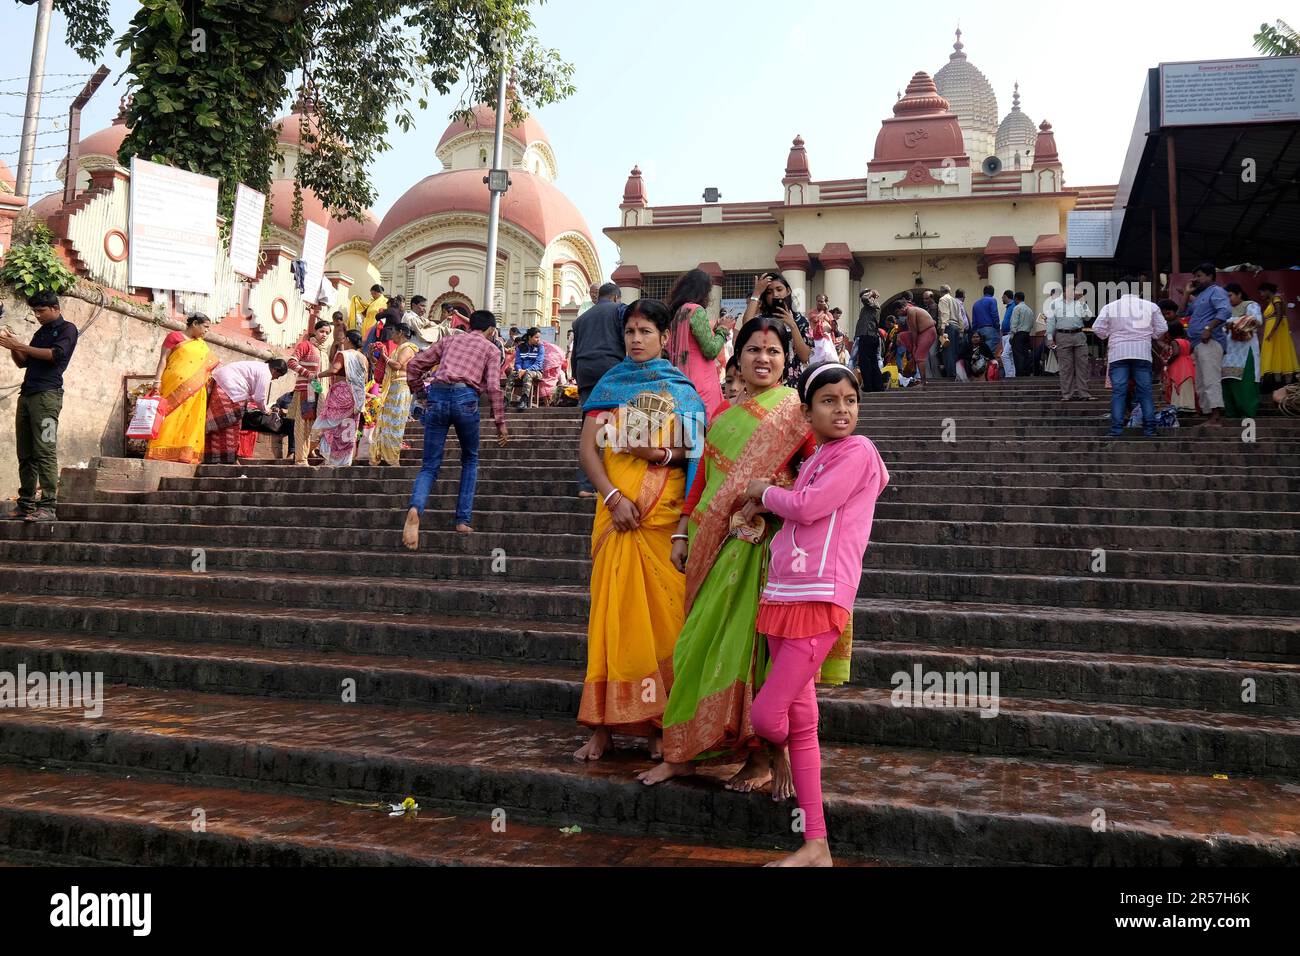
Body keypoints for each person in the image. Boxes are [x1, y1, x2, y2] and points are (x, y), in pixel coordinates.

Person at [637, 317, 851, 796]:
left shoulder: (798, 413)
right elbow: (703, 483)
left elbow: (819, 474)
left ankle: (764, 758)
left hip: (775, 548)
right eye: (754, 349)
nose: (763, 358)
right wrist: (680, 531)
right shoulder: (722, 418)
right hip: (721, 543)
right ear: (737, 360)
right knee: (698, 640)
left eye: (774, 351)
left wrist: (774, 492)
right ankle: (686, 751)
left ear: (785, 361)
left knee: (758, 652)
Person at [741, 361, 888, 867]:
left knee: (766, 713)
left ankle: (776, 756)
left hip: (822, 595)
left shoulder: (859, 452)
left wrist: (763, 492)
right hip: (783, 594)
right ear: (808, 412)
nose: (842, 409)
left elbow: (808, 508)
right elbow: (799, 507)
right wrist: (768, 505)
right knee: (802, 724)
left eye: (849, 400)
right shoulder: (817, 457)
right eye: (829, 401)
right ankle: (816, 845)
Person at [574, 299, 706, 761]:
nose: (635, 339)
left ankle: (657, 722)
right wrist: (612, 497)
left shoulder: (682, 390)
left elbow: (696, 457)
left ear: (665, 337)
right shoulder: (610, 385)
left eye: (645, 331)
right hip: (616, 513)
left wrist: (659, 456)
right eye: (630, 331)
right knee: (610, 615)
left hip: (662, 516)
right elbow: (588, 451)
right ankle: (603, 725)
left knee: (664, 620)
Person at [402, 310, 509, 545]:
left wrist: (421, 393)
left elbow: (414, 366)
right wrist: (500, 423)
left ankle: (415, 509)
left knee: (429, 465)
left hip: (438, 395)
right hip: (466, 399)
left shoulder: (449, 339)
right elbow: (493, 387)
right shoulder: (491, 349)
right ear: (491, 331)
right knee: (470, 459)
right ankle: (462, 520)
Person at [0, 291, 78, 522]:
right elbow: (23, 362)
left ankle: (48, 506)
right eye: (35, 311)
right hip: (27, 395)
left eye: (41, 311)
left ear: (55, 308)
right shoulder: (40, 332)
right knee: (25, 453)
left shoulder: (67, 329)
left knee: (45, 450)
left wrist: (20, 344)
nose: (38, 315)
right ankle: (25, 505)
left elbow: (55, 355)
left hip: (47, 397)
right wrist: (12, 346)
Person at [571, 283, 625, 497]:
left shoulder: (581, 319)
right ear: (615, 298)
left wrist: (577, 376)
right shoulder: (618, 310)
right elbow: (626, 339)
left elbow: (575, 352)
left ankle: (585, 485)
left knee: (589, 427)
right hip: (611, 368)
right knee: (618, 422)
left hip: (586, 371)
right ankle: (614, 480)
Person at [1092, 293, 1168, 438]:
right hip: (1142, 353)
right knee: (1145, 393)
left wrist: (1110, 334)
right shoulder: (1150, 306)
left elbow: (1098, 328)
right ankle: (1150, 430)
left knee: (1118, 393)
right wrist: (1150, 335)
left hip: (1118, 353)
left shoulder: (1110, 307)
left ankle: (1116, 430)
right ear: (1138, 291)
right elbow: (1162, 328)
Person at [146, 313, 218, 465]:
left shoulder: (202, 345)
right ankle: (161, 451)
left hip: (196, 389)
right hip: (173, 384)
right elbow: (163, 360)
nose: (207, 331)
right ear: (195, 324)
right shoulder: (174, 337)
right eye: (205, 327)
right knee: (169, 417)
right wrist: (157, 381)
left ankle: (183, 454)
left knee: (191, 419)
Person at [666, 268, 732, 423]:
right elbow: (710, 350)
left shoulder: (675, 313)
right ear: (703, 291)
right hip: (701, 380)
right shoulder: (696, 310)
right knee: (705, 427)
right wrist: (723, 329)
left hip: (679, 378)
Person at [205, 358, 288, 465]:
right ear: (275, 370)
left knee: (218, 424)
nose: (276, 379)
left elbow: (252, 396)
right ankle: (227, 459)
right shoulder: (266, 373)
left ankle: (212, 457)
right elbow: (259, 397)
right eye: (278, 376)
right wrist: (265, 410)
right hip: (230, 388)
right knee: (232, 426)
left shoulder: (259, 367)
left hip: (221, 382)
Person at [740, 273, 812, 386]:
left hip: (792, 383)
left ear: (788, 291)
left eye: (779, 289)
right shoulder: (762, 320)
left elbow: (804, 357)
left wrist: (792, 325)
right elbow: (746, 326)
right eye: (769, 292)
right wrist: (757, 292)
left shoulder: (800, 321)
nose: (775, 295)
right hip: (765, 380)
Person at [1186, 263, 1232, 428]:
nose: (1196, 279)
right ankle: (1209, 415)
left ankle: (1216, 418)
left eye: (1199, 276)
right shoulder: (1200, 296)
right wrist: (1187, 293)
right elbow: (1182, 313)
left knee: (1211, 379)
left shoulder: (1217, 291)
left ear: (1211, 276)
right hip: (1198, 344)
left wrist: (1208, 328)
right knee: (1201, 381)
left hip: (1210, 342)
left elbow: (1225, 312)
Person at [311, 331, 367, 467]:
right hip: (357, 396)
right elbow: (365, 379)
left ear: (348, 339)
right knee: (348, 428)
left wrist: (317, 375)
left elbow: (334, 370)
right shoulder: (363, 358)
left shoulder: (344, 355)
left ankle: (330, 460)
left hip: (342, 393)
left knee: (330, 426)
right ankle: (342, 462)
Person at [370, 322, 419, 467]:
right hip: (393, 388)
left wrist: (384, 356)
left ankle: (392, 458)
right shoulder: (397, 349)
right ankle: (383, 455)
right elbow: (385, 366)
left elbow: (397, 365)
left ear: (401, 333)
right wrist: (373, 355)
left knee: (395, 423)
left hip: (401, 388)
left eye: (394, 332)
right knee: (386, 422)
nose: (391, 335)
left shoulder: (408, 348)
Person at [284, 320, 330, 466]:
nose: (324, 335)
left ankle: (307, 453)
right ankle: (300, 459)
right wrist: (307, 373)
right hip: (306, 390)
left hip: (317, 392)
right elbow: (291, 362)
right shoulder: (306, 345)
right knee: (303, 425)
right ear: (315, 331)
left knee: (316, 426)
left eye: (327, 333)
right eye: (322, 331)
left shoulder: (323, 351)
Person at [1045, 284, 1092, 401]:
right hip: (1062, 335)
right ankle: (1067, 394)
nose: (1075, 292)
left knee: (1083, 365)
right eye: (1074, 290)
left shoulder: (1079, 302)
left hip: (1079, 335)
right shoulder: (1055, 303)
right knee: (1065, 367)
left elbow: (1088, 317)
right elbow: (1050, 322)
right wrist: (1050, 338)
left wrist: (1082, 301)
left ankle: (1084, 394)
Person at [1222, 283, 1262, 420]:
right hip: (1228, 353)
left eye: (1230, 295)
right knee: (1228, 380)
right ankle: (1231, 412)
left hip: (1246, 351)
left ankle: (1247, 412)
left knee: (1245, 381)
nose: (1228, 299)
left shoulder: (1250, 305)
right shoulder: (1224, 309)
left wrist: (1233, 324)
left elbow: (1256, 321)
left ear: (1239, 294)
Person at [1259, 282, 1299, 390]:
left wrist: (1273, 331)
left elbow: (1279, 314)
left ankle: (1283, 382)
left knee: (1280, 352)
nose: (1261, 294)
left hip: (1277, 332)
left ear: (1267, 290)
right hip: (1274, 332)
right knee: (1276, 354)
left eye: (1262, 292)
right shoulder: (1272, 301)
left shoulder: (1276, 298)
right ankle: (1277, 382)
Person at [1156, 310, 1196, 411]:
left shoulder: (1175, 341)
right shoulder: (1187, 341)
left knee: (1178, 384)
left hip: (1178, 365)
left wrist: (1168, 361)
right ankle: (1189, 406)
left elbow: (1176, 352)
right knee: (1187, 385)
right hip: (1188, 364)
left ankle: (1180, 406)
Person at [895, 293, 936, 389]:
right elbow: (911, 331)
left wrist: (914, 345)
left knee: (919, 356)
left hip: (928, 332)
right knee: (900, 336)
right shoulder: (910, 312)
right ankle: (920, 378)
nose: (898, 315)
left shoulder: (911, 311)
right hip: (922, 333)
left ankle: (923, 382)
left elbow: (914, 330)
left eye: (898, 312)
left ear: (902, 308)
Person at [507, 327, 545, 409]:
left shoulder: (540, 348)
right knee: (512, 374)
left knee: (528, 374)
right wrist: (520, 370)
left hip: (536, 372)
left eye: (539, 337)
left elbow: (538, 364)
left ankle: (524, 400)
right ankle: (506, 400)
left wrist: (525, 370)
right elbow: (517, 362)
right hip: (522, 371)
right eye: (536, 337)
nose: (538, 339)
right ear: (529, 337)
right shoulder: (520, 348)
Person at [854, 289, 883, 392]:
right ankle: (877, 386)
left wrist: (871, 293)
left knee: (865, 362)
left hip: (868, 335)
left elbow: (865, 298)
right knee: (872, 362)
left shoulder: (872, 304)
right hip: (869, 336)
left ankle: (869, 386)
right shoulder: (870, 306)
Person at [1009, 292, 1036, 377]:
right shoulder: (1029, 309)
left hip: (1018, 334)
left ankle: (1019, 374)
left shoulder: (1017, 308)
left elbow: (1014, 323)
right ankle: (1026, 372)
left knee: (1018, 355)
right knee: (1025, 354)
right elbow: (1032, 323)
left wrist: (1012, 336)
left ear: (1016, 298)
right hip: (1027, 334)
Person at [970, 285, 1002, 349]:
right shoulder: (992, 300)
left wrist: (974, 332)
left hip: (979, 331)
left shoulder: (976, 303)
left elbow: (974, 321)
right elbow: (994, 315)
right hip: (990, 330)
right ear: (993, 293)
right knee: (990, 353)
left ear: (984, 292)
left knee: (981, 352)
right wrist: (998, 329)